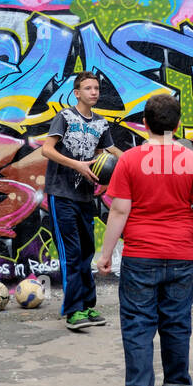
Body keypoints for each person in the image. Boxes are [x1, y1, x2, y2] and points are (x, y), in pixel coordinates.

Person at [97, 95, 193, 386]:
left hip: (140, 257)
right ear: (176, 124)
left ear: (145, 123)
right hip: (180, 257)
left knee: (138, 326)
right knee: (176, 324)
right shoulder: (190, 161)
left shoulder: (129, 160)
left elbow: (119, 209)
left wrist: (104, 254)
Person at [42, 71, 124, 332]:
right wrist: (76, 165)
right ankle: (73, 311)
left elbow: (107, 154)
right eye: (88, 88)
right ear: (77, 93)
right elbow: (47, 149)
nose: (94, 92)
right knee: (71, 253)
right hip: (61, 194)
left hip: (86, 196)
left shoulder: (101, 123)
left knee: (87, 251)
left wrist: (140, 161)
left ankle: (88, 305)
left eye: (97, 88)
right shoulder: (64, 117)